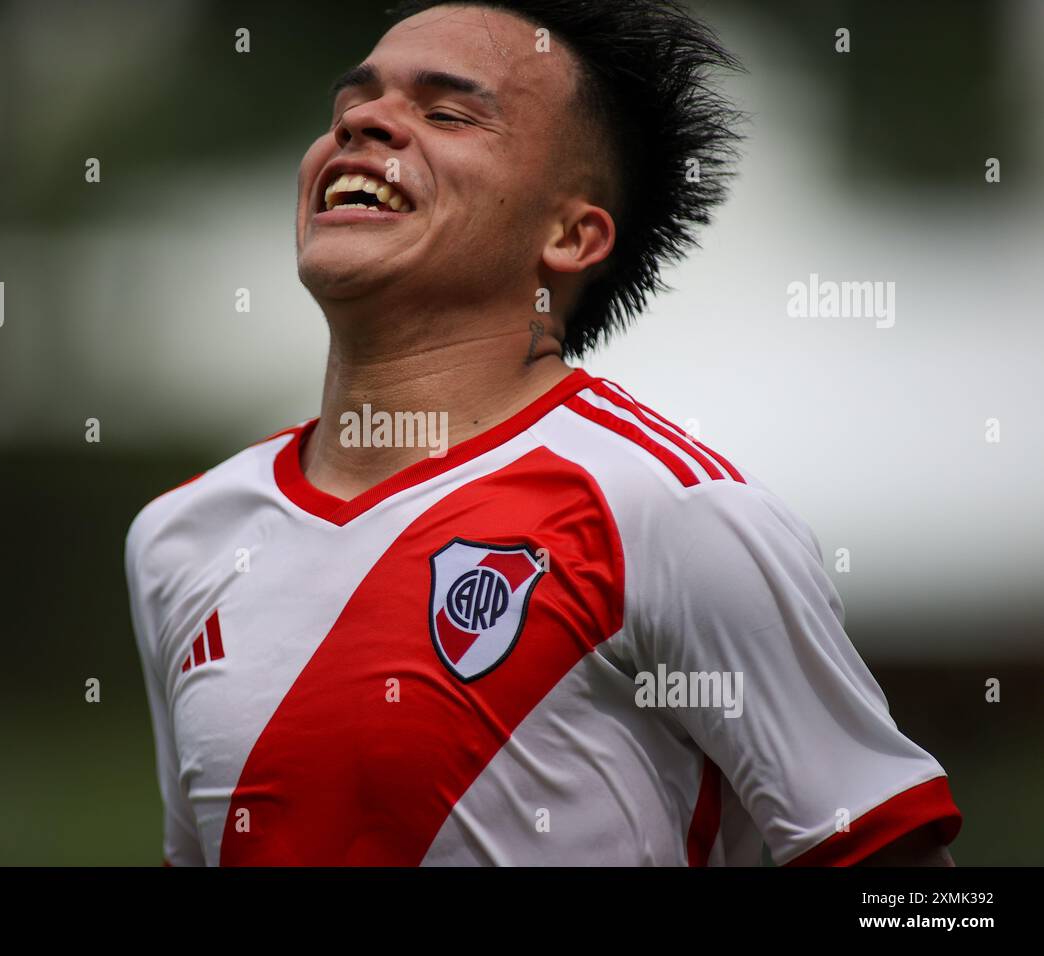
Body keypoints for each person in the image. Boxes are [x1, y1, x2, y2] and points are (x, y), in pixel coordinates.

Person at [125, 0, 961, 865]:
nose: (365, 123)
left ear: (571, 235)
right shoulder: (181, 536)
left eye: (446, 113)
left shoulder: (668, 513)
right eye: (350, 107)